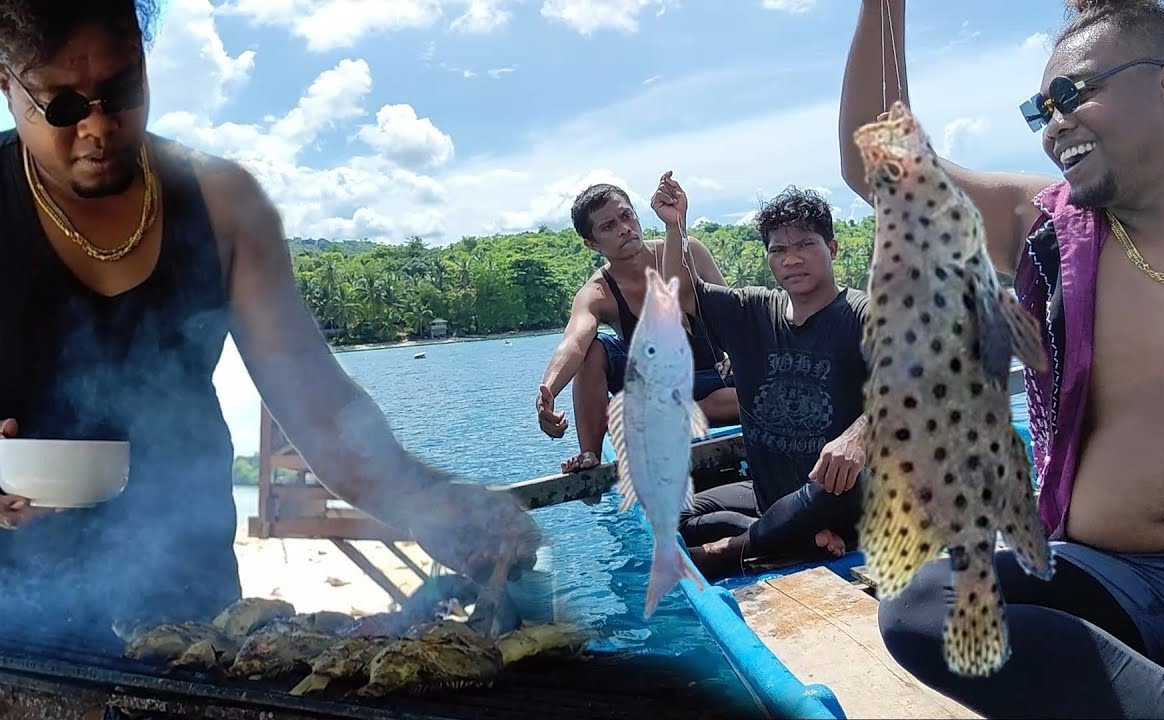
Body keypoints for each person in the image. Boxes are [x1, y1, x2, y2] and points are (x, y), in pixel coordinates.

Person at [0, 0, 540, 651]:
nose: (98, 128)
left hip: (188, 603)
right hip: (16, 604)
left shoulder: (224, 203)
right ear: (7, 87)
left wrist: (432, 502)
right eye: (62, 106)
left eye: (122, 91)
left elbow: (322, 410)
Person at [838, 0, 1164, 717]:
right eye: (1039, 108)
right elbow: (881, 165)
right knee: (925, 604)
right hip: (1111, 584)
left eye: (1072, 95)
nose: (1053, 125)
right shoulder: (1040, 225)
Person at [655, 175, 871, 580]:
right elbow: (680, 292)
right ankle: (794, 539)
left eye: (806, 244)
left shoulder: (863, 315)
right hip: (769, 496)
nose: (792, 259)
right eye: (780, 250)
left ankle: (733, 551)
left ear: (833, 249)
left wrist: (858, 435)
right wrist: (674, 227)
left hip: (843, 496)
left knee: (837, 482)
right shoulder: (752, 311)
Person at [535, 180, 738, 474]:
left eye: (627, 216)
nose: (624, 228)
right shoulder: (597, 293)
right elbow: (575, 343)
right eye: (608, 227)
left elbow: (734, 316)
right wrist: (548, 392)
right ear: (592, 243)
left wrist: (738, 355)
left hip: (713, 377)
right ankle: (590, 455)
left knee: (759, 392)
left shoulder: (688, 251)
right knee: (594, 349)